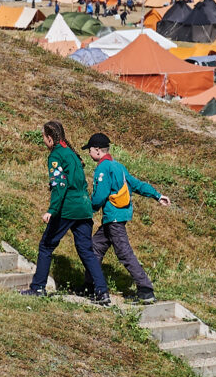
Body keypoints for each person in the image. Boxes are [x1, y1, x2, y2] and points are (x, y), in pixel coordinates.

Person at [28, 122, 108, 304]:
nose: (43, 141)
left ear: (50, 138)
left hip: (67, 208)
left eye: (43, 137)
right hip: (84, 209)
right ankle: (102, 292)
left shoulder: (56, 155)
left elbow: (60, 185)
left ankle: (38, 287)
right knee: (86, 251)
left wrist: (52, 210)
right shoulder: (71, 153)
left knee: (46, 246)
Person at [85, 132, 163, 304]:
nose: (88, 153)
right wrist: (157, 195)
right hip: (114, 218)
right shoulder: (118, 166)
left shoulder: (103, 168)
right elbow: (136, 185)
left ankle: (145, 290)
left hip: (113, 218)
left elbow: (100, 195)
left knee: (124, 253)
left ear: (97, 150)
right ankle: (90, 286)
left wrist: (88, 210)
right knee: (94, 248)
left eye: (89, 150)